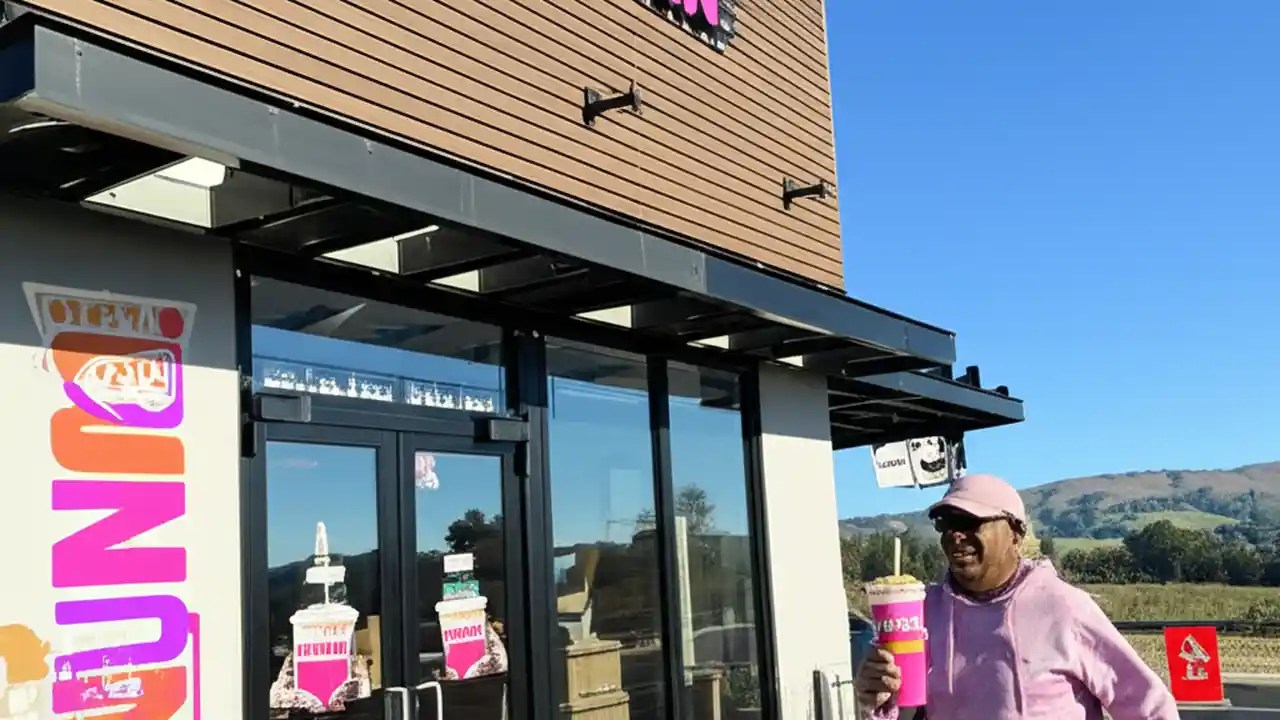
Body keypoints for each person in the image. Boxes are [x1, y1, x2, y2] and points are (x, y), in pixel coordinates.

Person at [855, 474, 1179, 720]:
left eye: (970, 522)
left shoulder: (1063, 607)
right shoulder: (922, 611)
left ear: (1016, 532)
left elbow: (1148, 705)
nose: (955, 535)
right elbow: (896, 707)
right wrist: (877, 700)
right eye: (946, 523)